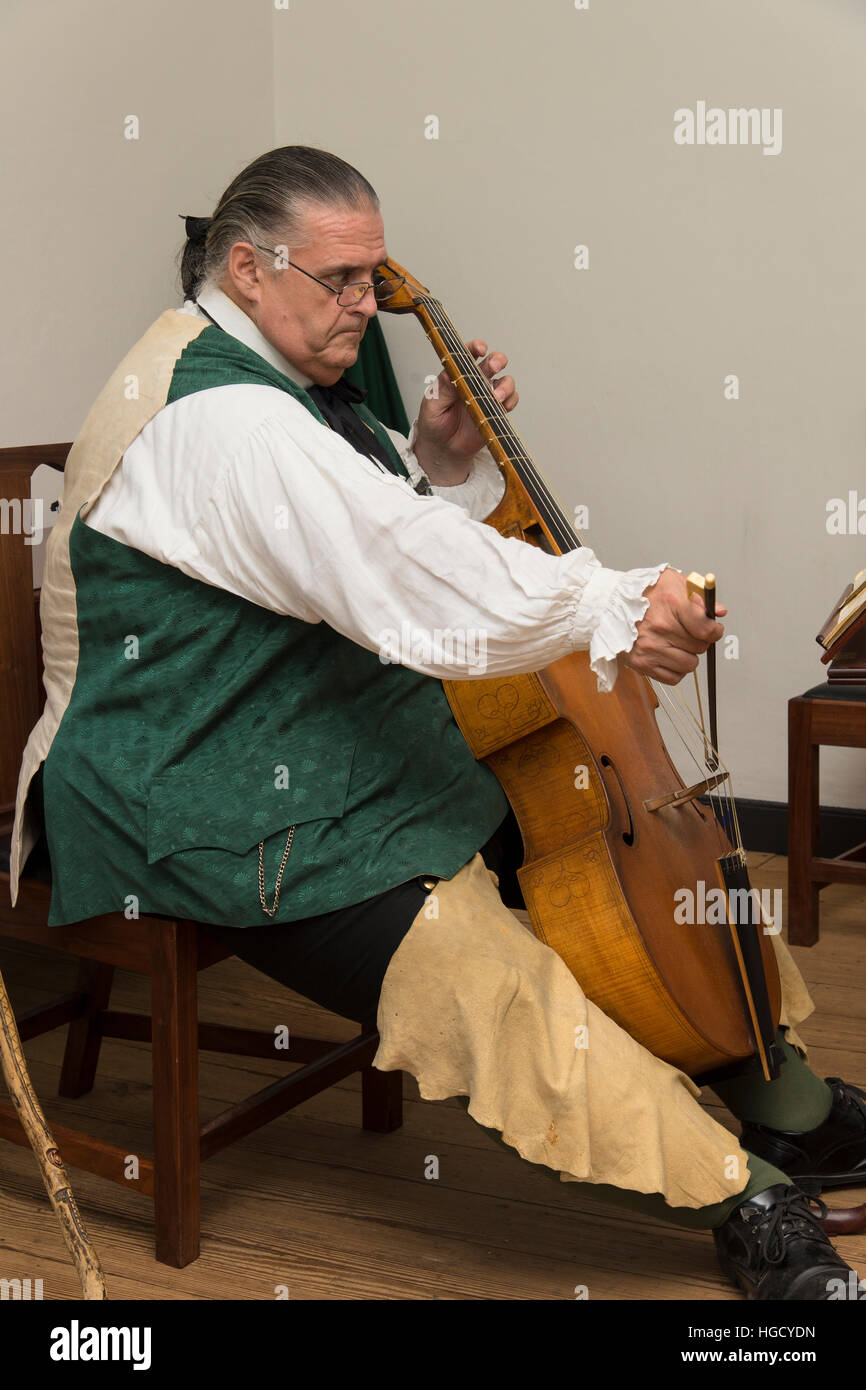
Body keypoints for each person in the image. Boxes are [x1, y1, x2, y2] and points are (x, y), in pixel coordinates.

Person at [10, 146, 865, 1302]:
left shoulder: (282, 373)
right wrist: (611, 599)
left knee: (601, 866)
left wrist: (444, 461)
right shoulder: (214, 420)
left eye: (375, 277)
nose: (372, 304)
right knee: (483, 975)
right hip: (194, 794)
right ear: (249, 269)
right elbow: (395, 576)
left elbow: (368, 528)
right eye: (344, 280)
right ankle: (734, 1189)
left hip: (341, 742)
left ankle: (786, 1097)